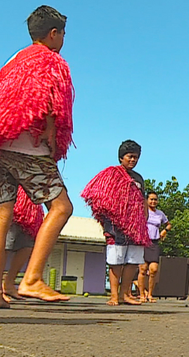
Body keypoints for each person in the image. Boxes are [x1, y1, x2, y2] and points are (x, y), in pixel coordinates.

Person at [0, 5, 74, 307]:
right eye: (63, 34)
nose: (63, 40)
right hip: (28, 144)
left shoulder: (14, 60)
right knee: (60, 207)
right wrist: (52, 129)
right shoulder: (51, 60)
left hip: (2, 142)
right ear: (53, 34)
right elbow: (52, 95)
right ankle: (32, 278)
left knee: (3, 212)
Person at [81, 140, 150, 306]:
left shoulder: (139, 178)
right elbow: (97, 195)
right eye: (130, 156)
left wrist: (144, 218)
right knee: (116, 260)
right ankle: (113, 295)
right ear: (121, 157)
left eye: (136, 157)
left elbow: (142, 200)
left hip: (135, 227)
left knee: (133, 260)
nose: (133, 160)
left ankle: (125, 293)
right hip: (115, 225)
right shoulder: (111, 173)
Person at [2, 188, 44, 302]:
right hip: (12, 201)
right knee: (5, 244)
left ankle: (9, 284)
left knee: (27, 245)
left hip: (31, 207)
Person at [139, 191, 172, 303]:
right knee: (143, 269)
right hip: (143, 240)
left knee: (153, 269)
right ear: (147, 200)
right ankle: (141, 294)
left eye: (155, 199)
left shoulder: (160, 214)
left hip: (154, 242)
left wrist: (164, 231)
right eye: (151, 199)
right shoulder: (143, 211)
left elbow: (169, 224)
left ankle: (150, 294)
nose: (153, 201)